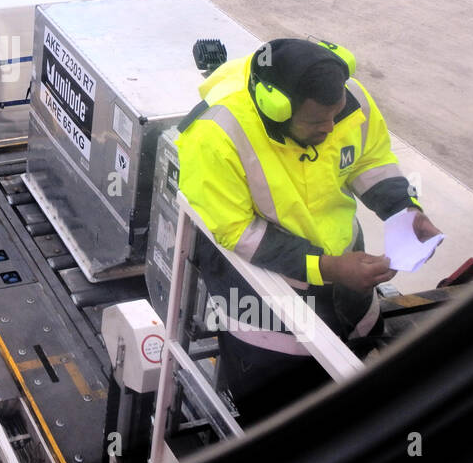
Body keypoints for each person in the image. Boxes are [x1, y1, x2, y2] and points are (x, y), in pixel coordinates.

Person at [175, 37, 441, 426]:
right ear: (276, 109)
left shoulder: (348, 99)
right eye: (317, 122)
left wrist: (404, 209)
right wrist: (330, 268)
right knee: (279, 423)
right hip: (264, 309)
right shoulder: (213, 136)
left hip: (349, 283)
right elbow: (238, 232)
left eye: (335, 115)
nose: (331, 127)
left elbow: (370, 160)